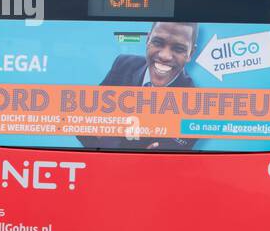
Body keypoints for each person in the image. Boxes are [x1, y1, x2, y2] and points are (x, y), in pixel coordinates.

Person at [78, 21, 201, 150]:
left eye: (178, 49)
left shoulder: (195, 106)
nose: (165, 56)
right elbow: (84, 122)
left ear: (190, 54)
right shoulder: (123, 64)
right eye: (158, 42)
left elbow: (155, 162)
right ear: (148, 41)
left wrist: (108, 135)